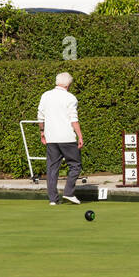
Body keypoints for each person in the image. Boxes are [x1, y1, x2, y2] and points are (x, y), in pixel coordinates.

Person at [37, 72, 84, 206]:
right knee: (75, 165)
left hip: (51, 137)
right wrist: (80, 136)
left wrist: (42, 132)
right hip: (67, 137)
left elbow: (40, 116)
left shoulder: (46, 95)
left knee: (52, 168)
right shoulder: (71, 98)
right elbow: (74, 120)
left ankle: (53, 199)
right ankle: (69, 193)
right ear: (68, 84)